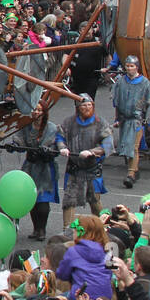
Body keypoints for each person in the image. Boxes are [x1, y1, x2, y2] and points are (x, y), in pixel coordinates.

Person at [55, 94, 113, 229]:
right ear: (77, 107)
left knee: (95, 201)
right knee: (69, 201)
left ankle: (103, 228)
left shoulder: (100, 123)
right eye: (83, 105)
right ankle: (67, 231)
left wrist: (93, 152)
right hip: (74, 169)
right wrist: (62, 148)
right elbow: (59, 136)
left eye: (89, 105)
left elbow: (108, 144)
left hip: (92, 169)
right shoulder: (69, 122)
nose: (87, 108)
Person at [12, 103, 59, 241]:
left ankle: (42, 229)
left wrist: (48, 150)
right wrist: (15, 145)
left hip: (45, 168)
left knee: (43, 202)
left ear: (44, 112)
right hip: (30, 166)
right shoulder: (26, 126)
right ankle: (35, 229)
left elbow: (56, 145)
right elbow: (19, 140)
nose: (36, 112)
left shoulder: (52, 128)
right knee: (32, 198)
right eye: (34, 110)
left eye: (39, 110)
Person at [111, 55, 150, 189]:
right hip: (124, 120)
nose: (129, 68)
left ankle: (130, 174)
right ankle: (135, 170)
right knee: (125, 147)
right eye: (127, 66)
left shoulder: (145, 83)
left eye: (132, 66)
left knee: (133, 147)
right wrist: (117, 119)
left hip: (137, 121)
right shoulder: (120, 82)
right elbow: (117, 102)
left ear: (137, 67)